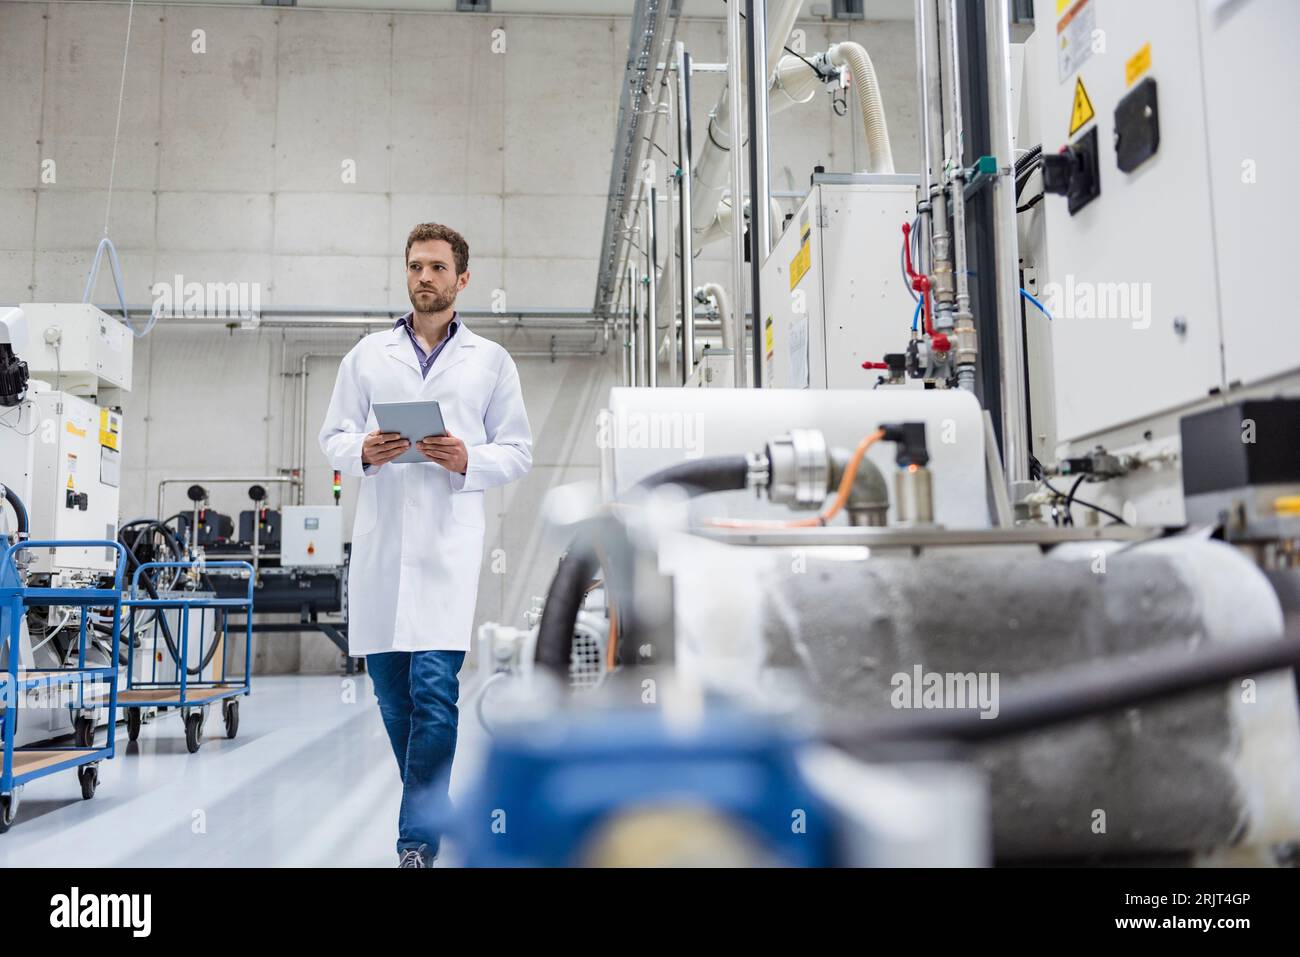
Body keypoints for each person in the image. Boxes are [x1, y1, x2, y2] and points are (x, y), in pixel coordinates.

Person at [319, 222, 532, 867]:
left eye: (438, 268)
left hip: (447, 552)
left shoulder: (491, 360)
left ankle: (417, 842)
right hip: (383, 552)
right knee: (394, 698)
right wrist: (362, 450)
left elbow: (519, 451)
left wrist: (469, 457)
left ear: (462, 280)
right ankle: (432, 799)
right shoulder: (366, 355)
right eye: (416, 266)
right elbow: (333, 437)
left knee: (435, 696)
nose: (425, 277)